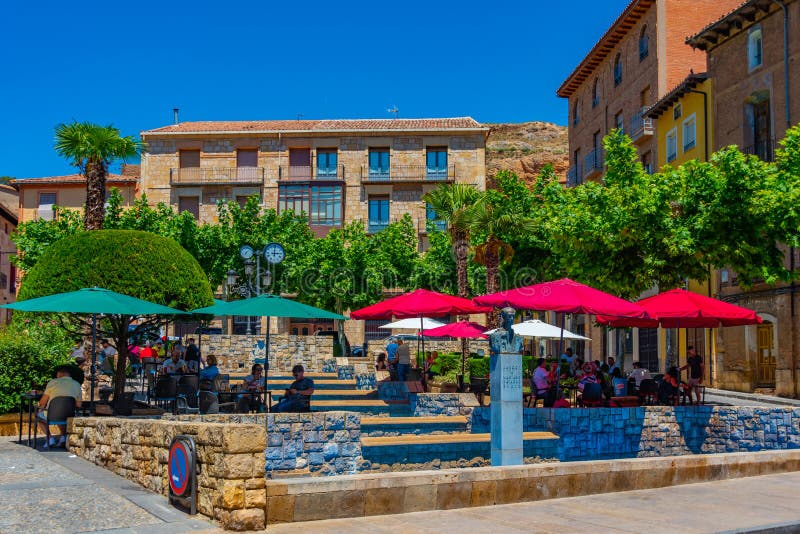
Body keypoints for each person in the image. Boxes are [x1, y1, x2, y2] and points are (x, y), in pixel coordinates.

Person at [37, 365, 82, 448]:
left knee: (39, 416)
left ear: (60, 374)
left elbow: (43, 401)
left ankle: (49, 438)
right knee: (62, 414)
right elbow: (79, 405)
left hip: (52, 414)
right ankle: (63, 437)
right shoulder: (77, 384)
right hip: (69, 414)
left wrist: (40, 407)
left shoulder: (53, 382)